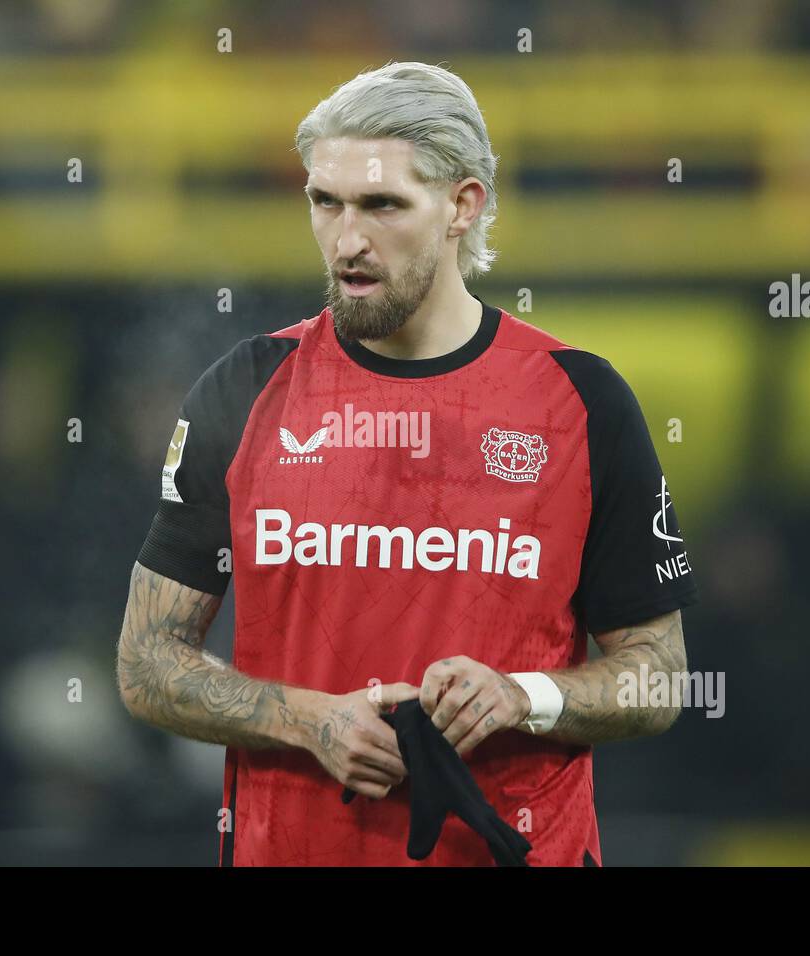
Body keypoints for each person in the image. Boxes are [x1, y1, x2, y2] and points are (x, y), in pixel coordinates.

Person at [116, 61, 698, 866]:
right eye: (326, 202)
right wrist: (307, 719)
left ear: (463, 206)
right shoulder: (247, 390)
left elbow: (660, 677)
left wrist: (519, 695)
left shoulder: (581, 402)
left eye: (383, 204)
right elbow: (147, 662)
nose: (347, 240)